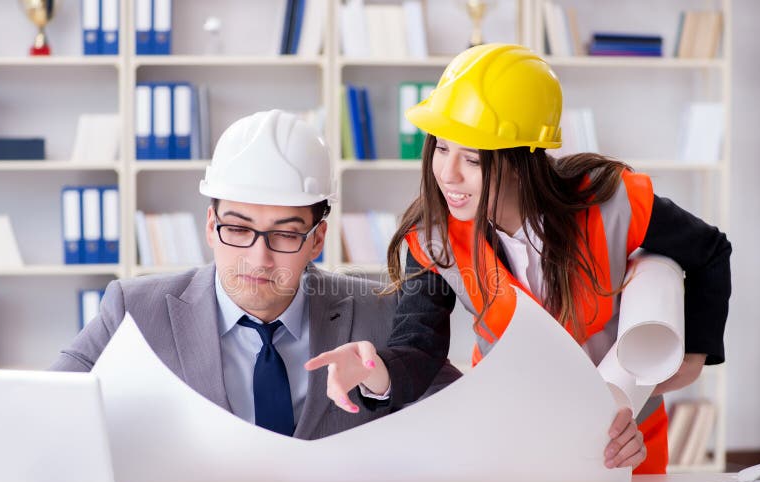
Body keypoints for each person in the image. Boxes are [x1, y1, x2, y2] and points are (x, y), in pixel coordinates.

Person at [305, 44, 731, 473]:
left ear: (520, 160)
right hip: (514, 434)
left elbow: (710, 251)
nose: (448, 174)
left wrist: (694, 355)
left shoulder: (609, 203)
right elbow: (419, 348)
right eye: (440, 148)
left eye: (471, 158)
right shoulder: (434, 239)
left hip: (623, 437)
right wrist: (374, 371)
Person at [51, 109, 460, 439]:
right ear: (211, 226)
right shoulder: (135, 311)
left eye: (284, 234)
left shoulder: (383, 314)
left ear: (318, 239)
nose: (259, 258)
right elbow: (46, 409)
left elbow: (466, 414)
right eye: (238, 229)